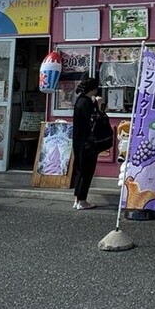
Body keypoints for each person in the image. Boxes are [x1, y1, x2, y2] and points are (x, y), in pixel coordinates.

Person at [70, 77, 102, 210]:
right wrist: (98, 106)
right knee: (87, 171)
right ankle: (82, 200)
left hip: (78, 141)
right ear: (93, 89)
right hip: (88, 142)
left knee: (80, 170)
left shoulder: (80, 101)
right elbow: (95, 121)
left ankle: (77, 199)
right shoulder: (88, 103)